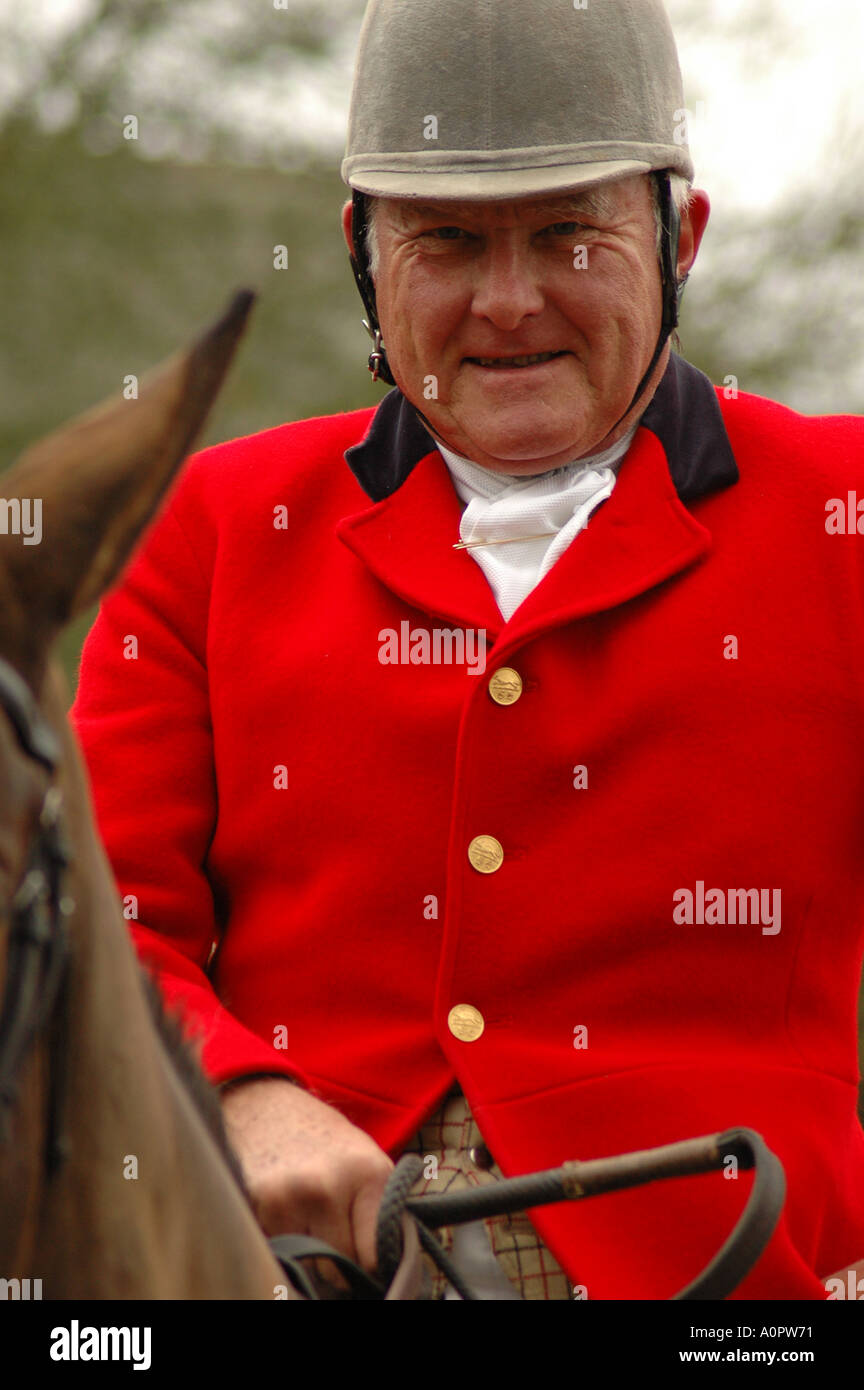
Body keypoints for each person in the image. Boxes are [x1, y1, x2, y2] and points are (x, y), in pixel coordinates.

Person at [71, 0, 864, 1300]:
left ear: (681, 240)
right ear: (361, 254)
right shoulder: (210, 524)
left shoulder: (846, 515)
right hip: (296, 1266)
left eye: (570, 234)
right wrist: (240, 1091)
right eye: (447, 241)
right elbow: (93, 913)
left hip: (738, 1283)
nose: (508, 302)